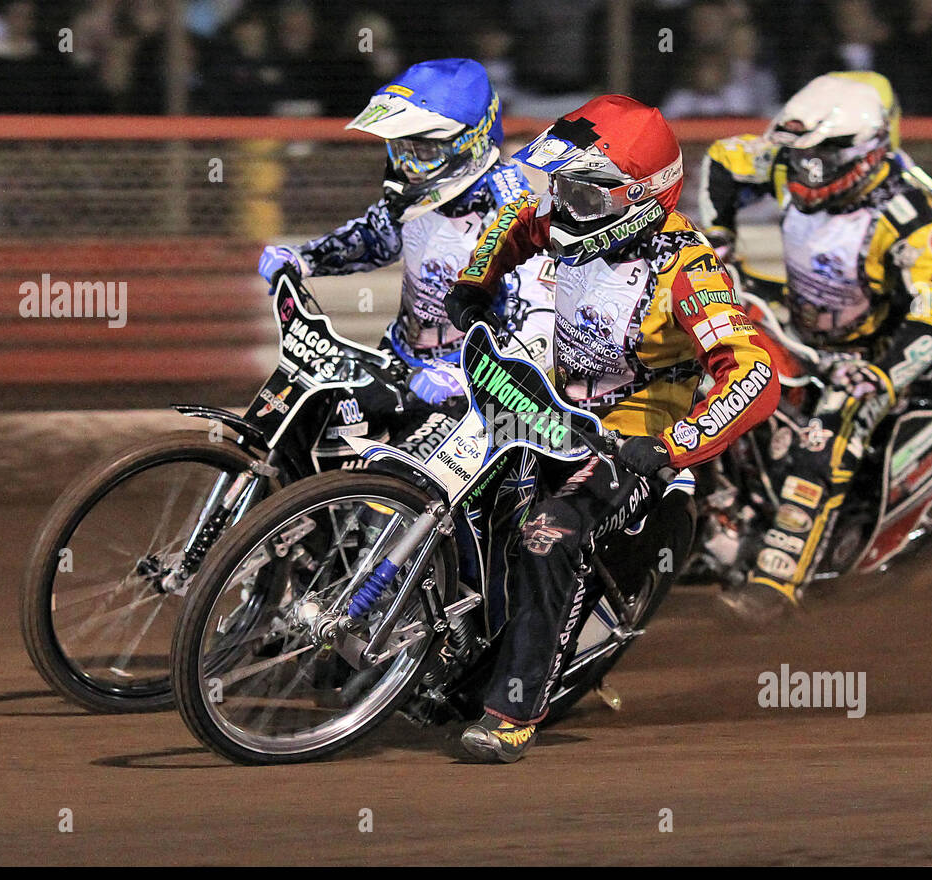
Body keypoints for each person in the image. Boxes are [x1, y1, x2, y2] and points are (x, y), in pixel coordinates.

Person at [443, 94, 781, 762]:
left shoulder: (689, 271)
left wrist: (674, 445)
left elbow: (754, 373)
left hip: (628, 436)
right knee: (443, 471)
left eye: (587, 198)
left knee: (549, 534)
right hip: (549, 406)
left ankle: (513, 710)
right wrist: (475, 281)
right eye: (563, 189)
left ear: (644, 198)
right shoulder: (566, 215)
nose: (566, 209)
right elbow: (516, 219)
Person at [699, 72, 932, 621]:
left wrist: (881, 375)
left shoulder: (911, 213)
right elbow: (723, 159)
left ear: (863, 154)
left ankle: (778, 580)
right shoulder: (793, 160)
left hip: (869, 350)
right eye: (799, 160)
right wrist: (719, 242)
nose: (802, 178)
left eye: (818, 163)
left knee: (825, 437)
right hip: (795, 314)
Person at [257, 58, 555, 454]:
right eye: (401, 149)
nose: (409, 167)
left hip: (478, 390)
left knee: (392, 490)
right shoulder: (413, 197)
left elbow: (540, 321)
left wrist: (464, 376)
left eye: (423, 151)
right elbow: (374, 236)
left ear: (473, 141)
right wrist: (304, 258)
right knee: (303, 430)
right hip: (400, 359)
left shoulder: (514, 208)